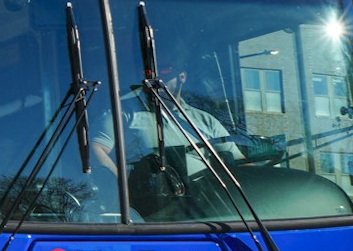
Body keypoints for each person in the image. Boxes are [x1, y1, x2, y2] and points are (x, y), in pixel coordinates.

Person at [90, 59, 242, 217]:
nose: (154, 80)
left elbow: (236, 161)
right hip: (149, 210)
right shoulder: (124, 113)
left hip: (208, 205)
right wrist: (125, 191)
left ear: (182, 76)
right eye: (149, 74)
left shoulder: (205, 120)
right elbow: (97, 149)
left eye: (164, 72)